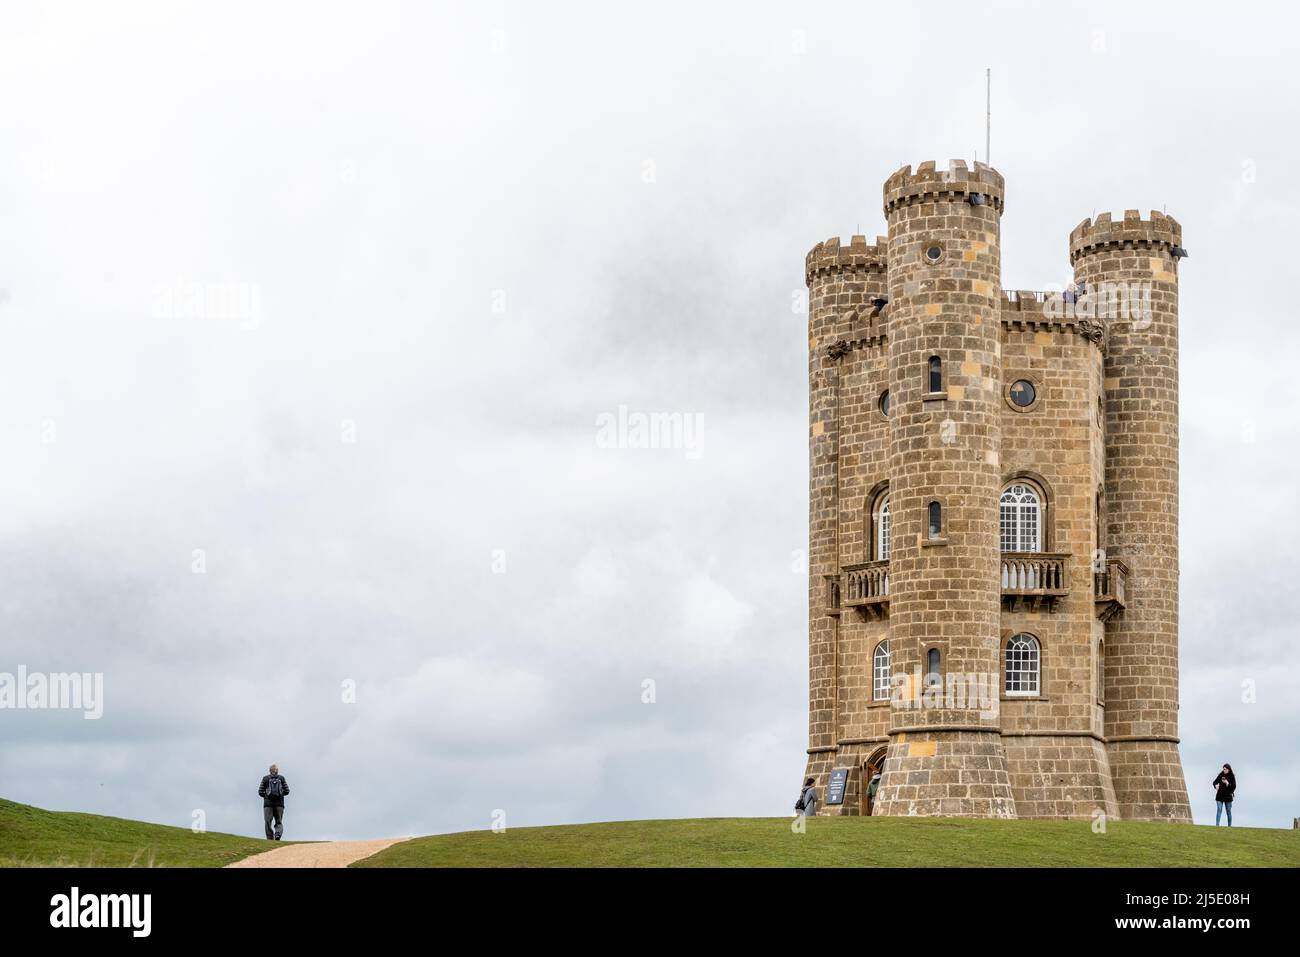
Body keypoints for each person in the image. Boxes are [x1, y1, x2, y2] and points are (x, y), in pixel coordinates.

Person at [258, 763, 291, 840]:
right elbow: (287, 791)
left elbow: (260, 791)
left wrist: (266, 796)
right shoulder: (282, 778)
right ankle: (278, 834)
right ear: (277, 771)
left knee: (267, 822)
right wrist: (280, 794)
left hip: (268, 805)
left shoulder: (265, 778)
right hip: (279, 804)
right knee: (278, 822)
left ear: (270, 771)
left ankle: (270, 838)